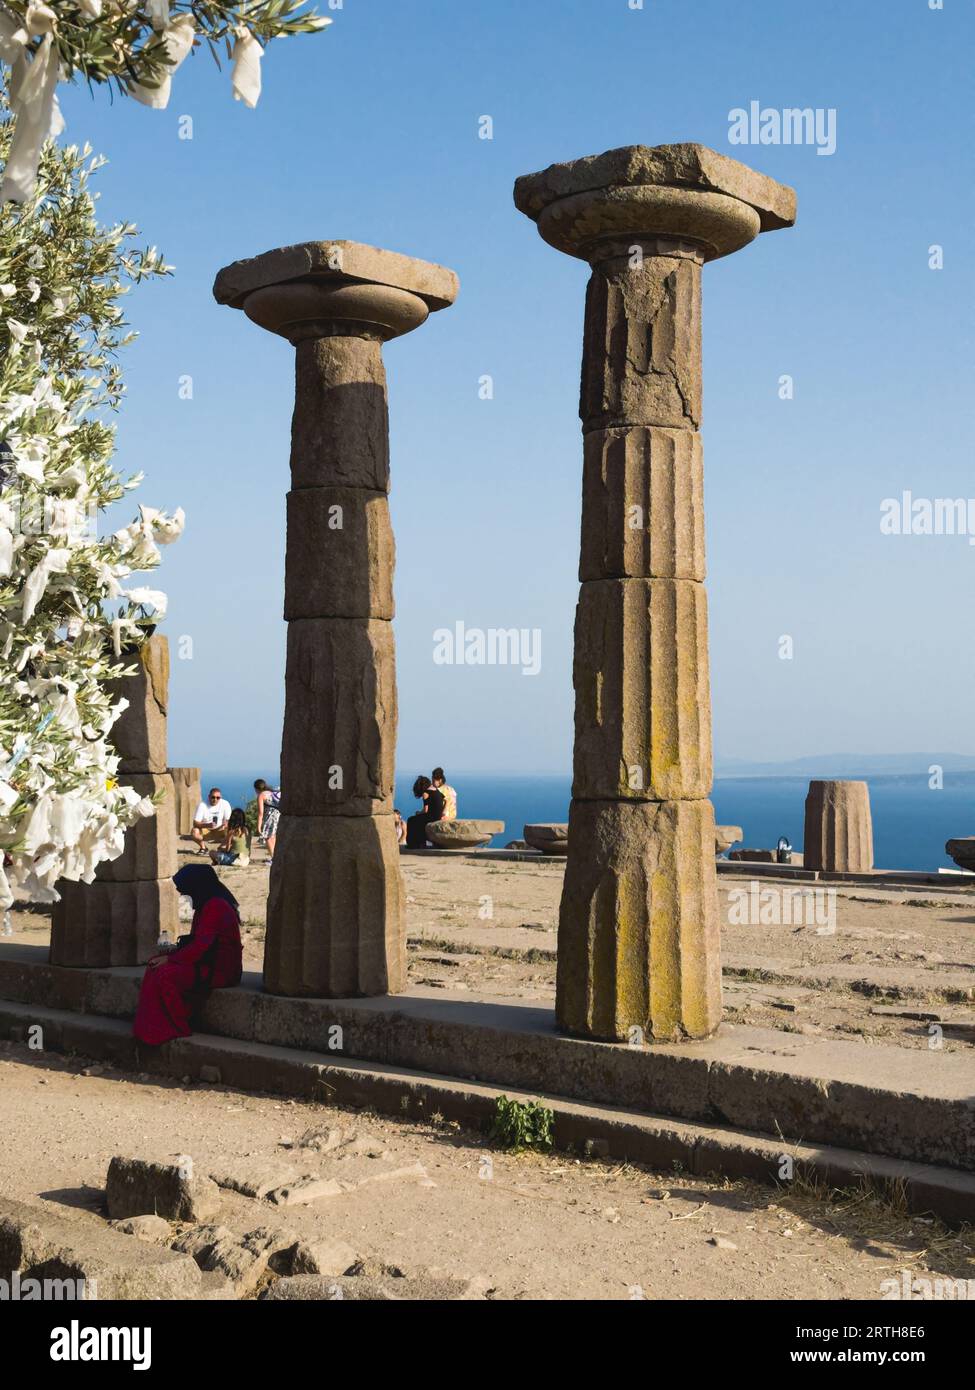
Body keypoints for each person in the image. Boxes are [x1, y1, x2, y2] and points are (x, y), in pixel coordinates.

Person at [133, 865, 242, 1046]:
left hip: (220, 970)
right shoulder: (207, 903)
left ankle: (174, 1026)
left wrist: (171, 958)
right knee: (154, 964)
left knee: (163, 974)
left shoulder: (216, 906)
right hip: (207, 962)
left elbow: (201, 946)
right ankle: (150, 1027)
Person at [406, 775, 445, 848]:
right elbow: (443, 801)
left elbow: (425, 810)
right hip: (438, 816)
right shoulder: (437, 791)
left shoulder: (426, 793)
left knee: (411, 820)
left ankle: (412, 844)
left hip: (432, 817)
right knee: (419, 821)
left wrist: (418, 813)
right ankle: (421, 843)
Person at [191, 787, 232, 853]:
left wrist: (225, 824)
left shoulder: (225, 804)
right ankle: (203, 847)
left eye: (218, 798)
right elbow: (195, 823)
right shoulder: (202, 805)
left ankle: (222, 847)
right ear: (209, 796)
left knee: (232, 830)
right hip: (206, 830)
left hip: (220, 829)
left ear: (220, 797)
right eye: (213, 797)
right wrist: (207, 825)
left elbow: (229, 820)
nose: (215, 799)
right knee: (194, 831)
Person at [254, 779, 281, 863]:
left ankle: (273, 858)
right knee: (273, 837)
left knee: (267, 837)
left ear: (256, 788)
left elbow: (260, 813)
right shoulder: (271, 792)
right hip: (278, 816)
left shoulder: (261, 795)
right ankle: (276, 857)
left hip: (270, 817)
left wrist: (258, 826)